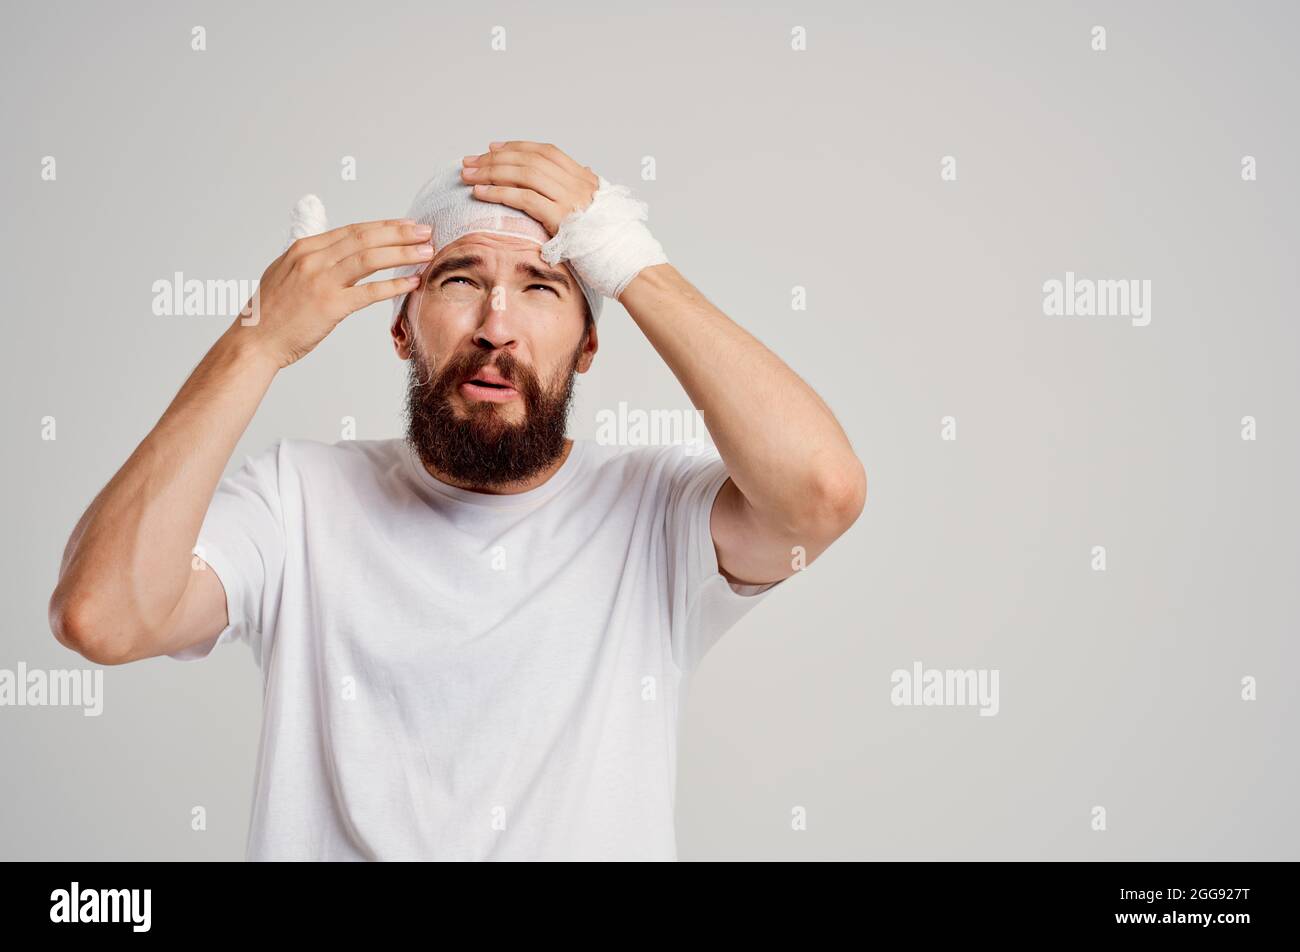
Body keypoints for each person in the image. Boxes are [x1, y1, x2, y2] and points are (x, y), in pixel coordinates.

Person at [48, 140, 867, 860]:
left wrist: (633, 262)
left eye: (542, 288)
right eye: (460, 279)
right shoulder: (298, 501)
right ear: (402, 326)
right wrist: (255, 342)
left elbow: (821, 494)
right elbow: (102, 616)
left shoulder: (656, 514)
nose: (496, 326)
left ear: (589, 346)